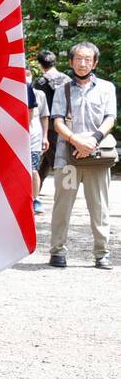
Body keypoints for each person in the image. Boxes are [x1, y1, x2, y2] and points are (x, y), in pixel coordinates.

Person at [47, 41, 116, 270]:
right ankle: (57, 251)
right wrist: (77, 141)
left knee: (99, 207)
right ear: (70, 62)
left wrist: (92, 140)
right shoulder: (62, 89)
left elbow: (110, 118)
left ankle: (101, 253)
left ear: (95, 62)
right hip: (68, 159)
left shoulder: (107, 88)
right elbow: (57, 121)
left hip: (97, 158)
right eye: (78, 59)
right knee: (62, 206)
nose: (83, 63)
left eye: (88, 59)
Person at [34, 50, 68, 201]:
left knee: (55, 160)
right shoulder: (67, 79)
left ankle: (65, 190)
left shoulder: (40, 82)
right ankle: (35, 191)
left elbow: (39, 108)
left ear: (41, 65)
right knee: (47, 161)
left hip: (48, 127)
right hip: (65, 125)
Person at [27, 66, 49, 214]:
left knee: (34, 169)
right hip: (17, 139)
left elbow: (44, 116)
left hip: (34, 137)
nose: (26, 78)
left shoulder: (39, 94)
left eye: (28, 75)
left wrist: (45, 136)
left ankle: (35, 198)